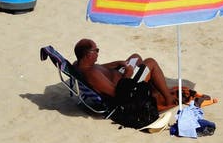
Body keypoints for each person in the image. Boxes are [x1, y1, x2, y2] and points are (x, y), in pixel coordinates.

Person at [73, 39, 201, 112]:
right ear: (88, 55)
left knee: (136, 57)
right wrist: (127, 74)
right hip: (127, 90)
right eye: (96, 50)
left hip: (120, 78)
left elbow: (103, 68)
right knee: (150, 62)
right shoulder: (91, 74)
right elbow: (116, 94)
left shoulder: (81, 64)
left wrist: (119, 63)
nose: (98, 53)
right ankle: (167, 97)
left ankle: (155, 89)